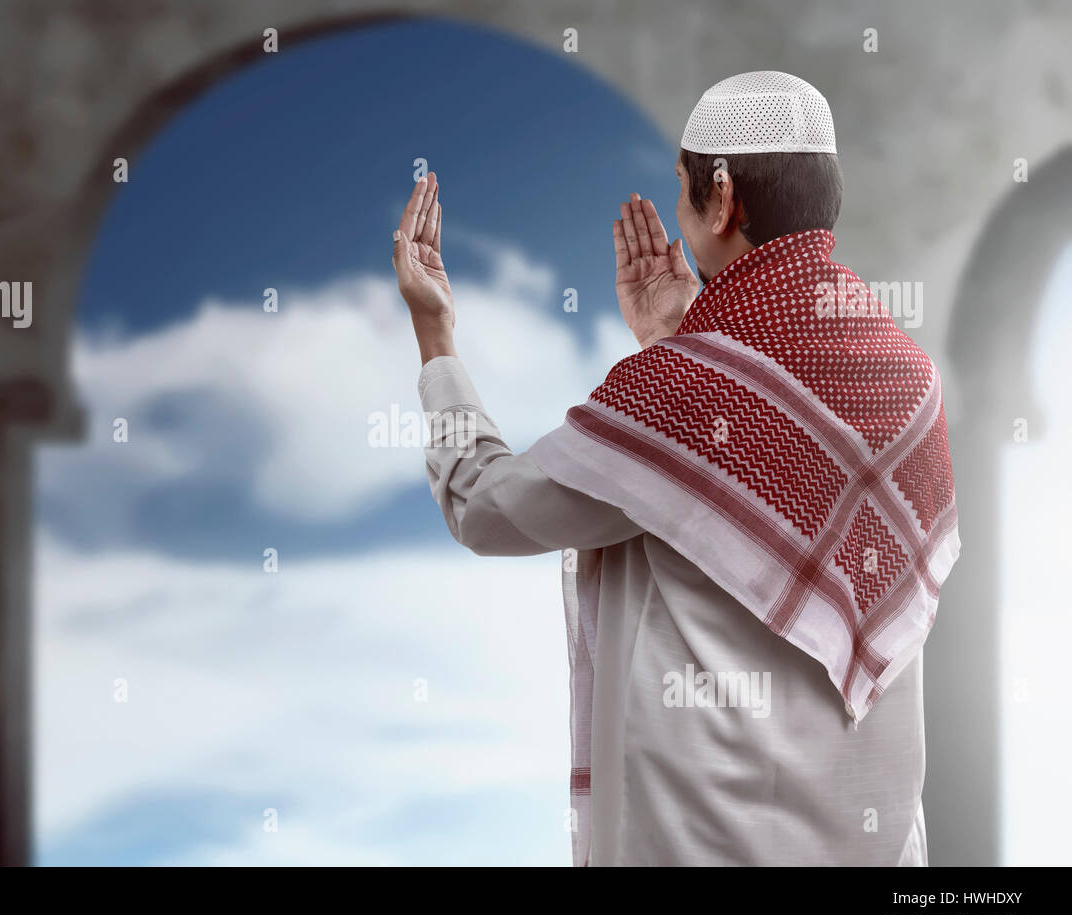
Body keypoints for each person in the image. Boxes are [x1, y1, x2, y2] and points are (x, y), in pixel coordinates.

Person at [390, 71, 960, 866]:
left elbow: (484, 505)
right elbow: (754, 455)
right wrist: (679, 337)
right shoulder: (910, 381)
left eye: (684, 187)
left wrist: (435, 333)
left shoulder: (681, 394)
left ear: (722, 198)